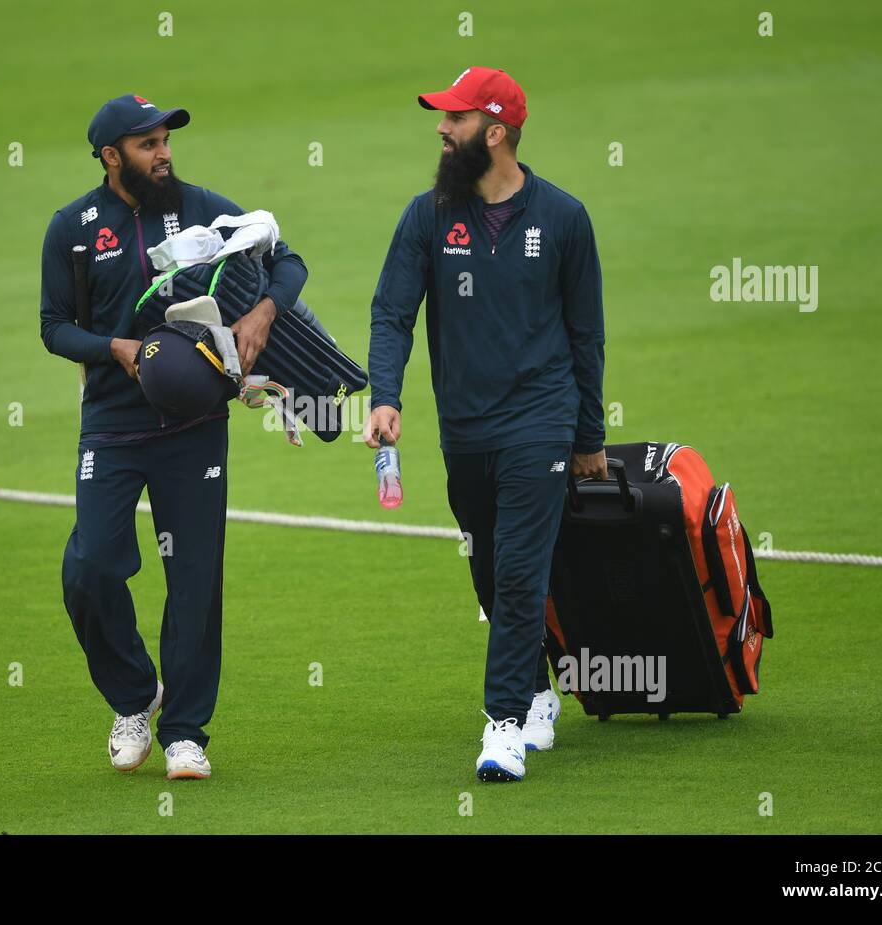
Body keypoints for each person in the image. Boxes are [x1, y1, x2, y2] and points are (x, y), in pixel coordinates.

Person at [39, 93, 307, 780]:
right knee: (91, 566)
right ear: (110, 155)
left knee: (194, 578)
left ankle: (185, 732)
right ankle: (134, 697)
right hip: (112, 425)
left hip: (196, 426)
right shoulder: (73, 227)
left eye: (165, 140)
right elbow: (54, 327)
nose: (163, 153)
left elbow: (288, 259)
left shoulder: (201, 207)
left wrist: (264, 315)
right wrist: (117, 348)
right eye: (147, 144)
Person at [363, 67, 607, 782]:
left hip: (542, 420)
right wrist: (386, 394)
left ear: (494, 132)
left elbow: (586, 335)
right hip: (465, 428)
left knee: (520, 566)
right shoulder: (428, 215)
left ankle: (502, 725)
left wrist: (587, 435)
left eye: (456, 119)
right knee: (488, 566)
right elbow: (392, 311)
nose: (441, 129)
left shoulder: (564, 218)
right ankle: (534, 686)